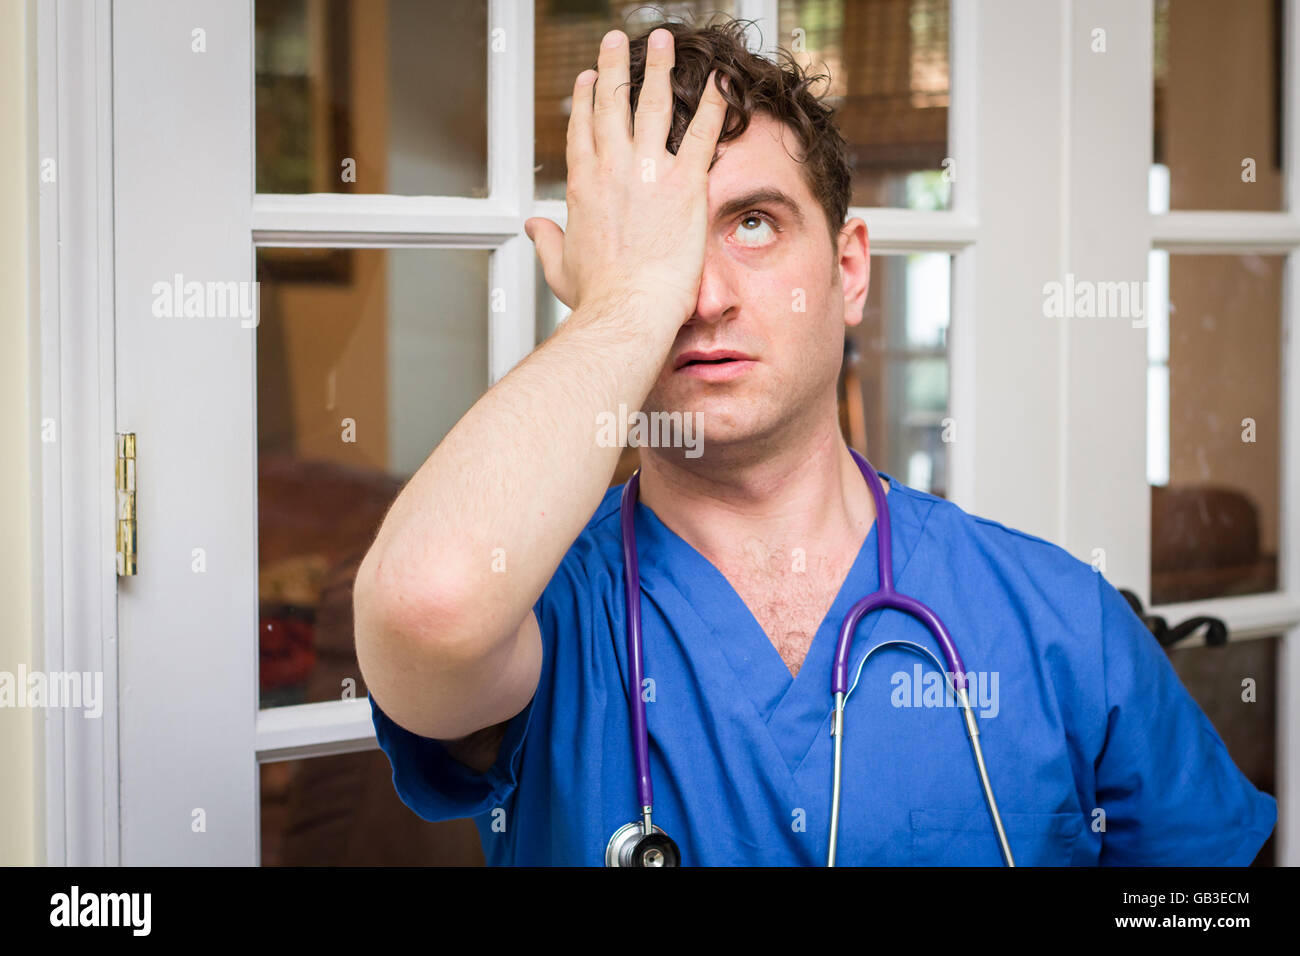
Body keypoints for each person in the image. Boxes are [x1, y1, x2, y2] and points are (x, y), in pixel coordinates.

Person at [353, 18, 1277, 866]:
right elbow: (427, 605)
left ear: (847, 270)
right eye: (659, 246)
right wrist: (627, 303)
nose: (702, 295)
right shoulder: (547, 620)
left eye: (752, 223)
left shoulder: (1061, 623)